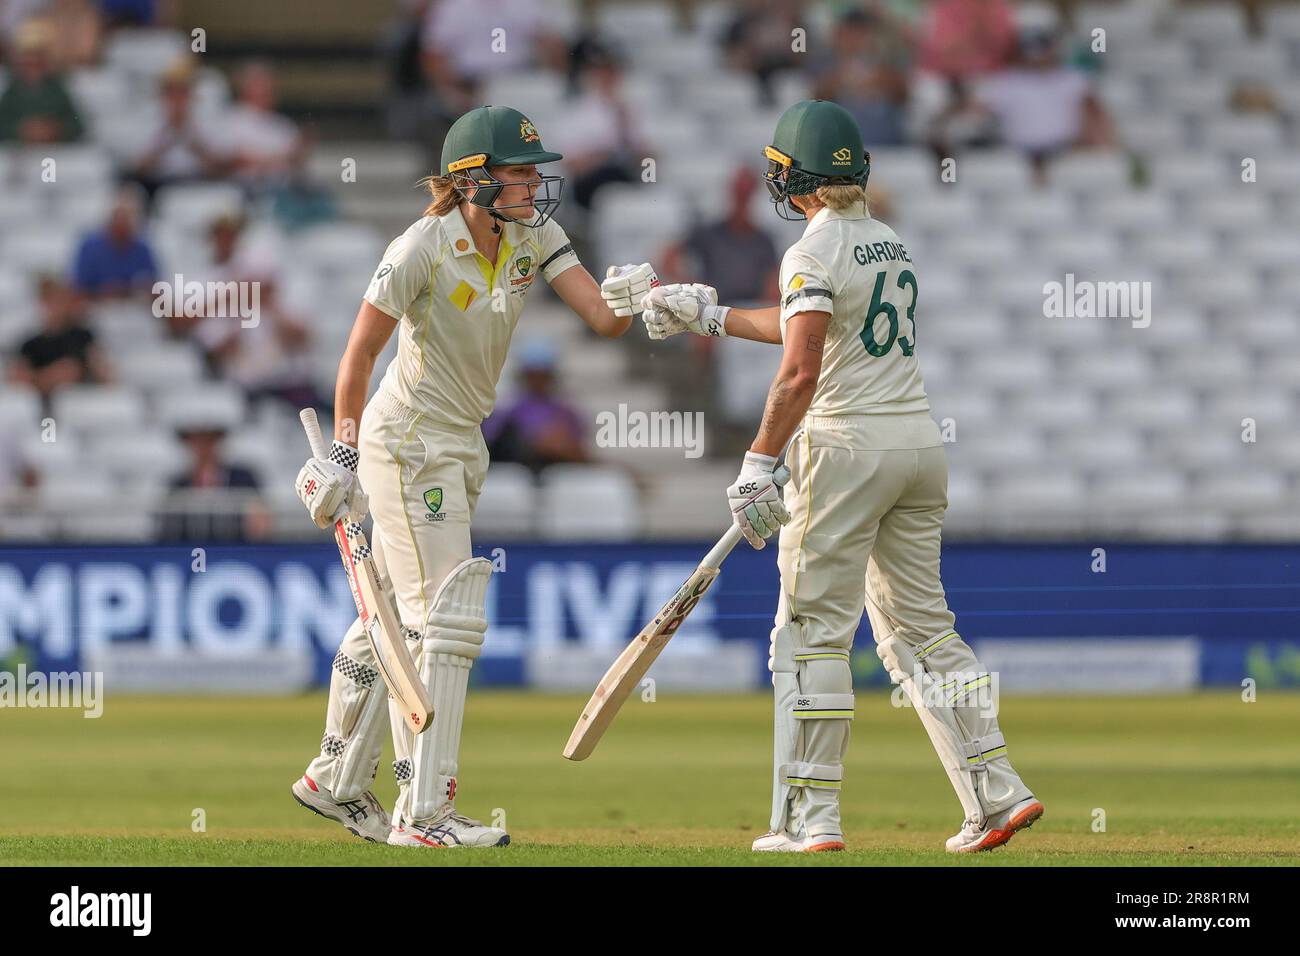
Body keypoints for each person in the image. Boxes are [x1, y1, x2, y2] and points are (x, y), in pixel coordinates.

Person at [642, 99, 1042, 854]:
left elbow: (801, 367)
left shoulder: (809, 252)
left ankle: (808, 817)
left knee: (809, 634)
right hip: (917, 448)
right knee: (923, 632)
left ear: (795, 178)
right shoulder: (888, 242)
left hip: (846, 449)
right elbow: (811, 326)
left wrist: (760, 460)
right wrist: (713, 314)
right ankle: (997, 792)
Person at [291, 105, 657, 848]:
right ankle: (422, 811)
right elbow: (360, 353)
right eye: (520, 173)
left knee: (389, 617)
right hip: (407, 441)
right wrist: (344, 452)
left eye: (532, 172)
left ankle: (332, 777)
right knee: (442, 622)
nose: (533, 185)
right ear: (473, 182)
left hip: (464, 443)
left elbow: (602, 318)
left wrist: (631, 297)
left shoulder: (535, 234)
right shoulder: (421, 245)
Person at [482, 339, 588, 474]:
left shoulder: (566, 412)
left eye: (543, 375)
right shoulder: (506, 410)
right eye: (533, 375)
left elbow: (578, 450)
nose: (538, 380)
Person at [9, 274, 111, 408]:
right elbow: (18, 378)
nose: (53, 307)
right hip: (40, 403)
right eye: (48, 300)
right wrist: (50, 376)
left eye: (58, 300)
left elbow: (101, 371)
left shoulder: (82, 336)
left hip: (80, 400)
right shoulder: (30, 344)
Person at [0, 17, 84, 143]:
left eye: (38, 58)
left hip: (55, 152)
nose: (33, 62)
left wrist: (54, 130)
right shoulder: (12, 91)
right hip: (19, 154)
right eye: (28, 58)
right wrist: (22, 131)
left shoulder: (57, 90)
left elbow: (77, 125)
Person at [70, 185, 159, 301]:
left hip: (134, 308)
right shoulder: (89, 247)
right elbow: (78, 288)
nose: (122, 223)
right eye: (119, 217)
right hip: (96, 307)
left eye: (127, 218)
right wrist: (105, 292)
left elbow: (153, 285)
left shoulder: (143, 248)